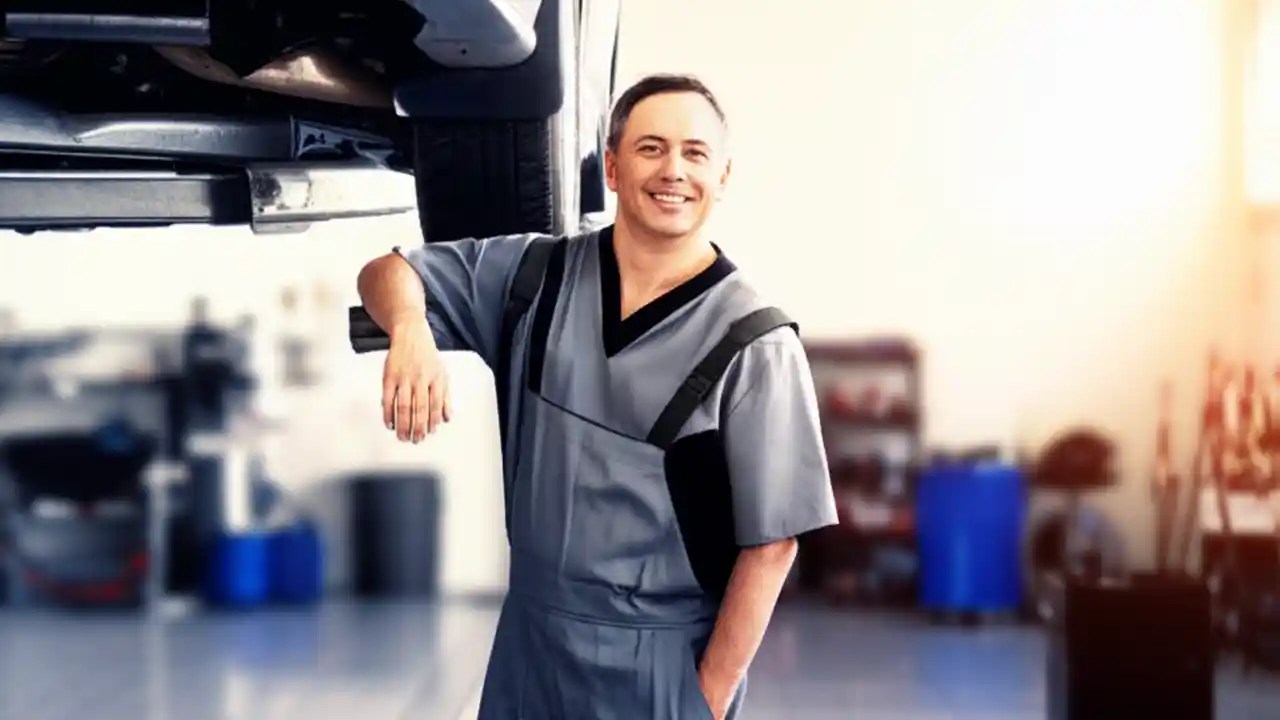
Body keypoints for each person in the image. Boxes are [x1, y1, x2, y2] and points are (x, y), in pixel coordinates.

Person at [356, 73, 838, 720]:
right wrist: (411, 328)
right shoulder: (535, 277)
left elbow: (773, 543)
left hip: (658, 664)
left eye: (695, 153)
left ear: (722, 177)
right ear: (611, 167)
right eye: (650, 148)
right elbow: (387, 272)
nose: (673, 170)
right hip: (529, 646)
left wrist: (707, 698)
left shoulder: (756, 343)